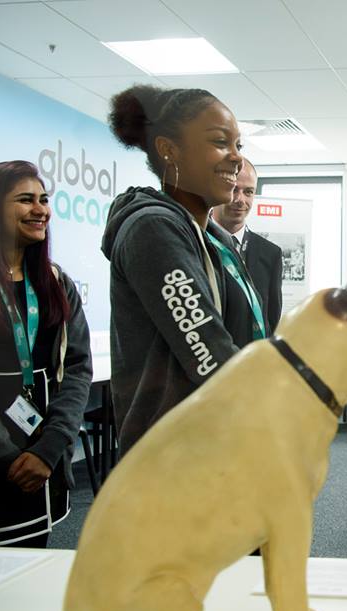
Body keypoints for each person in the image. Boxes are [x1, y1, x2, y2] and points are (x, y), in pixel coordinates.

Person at [102, 85, 246, 454]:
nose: (236, 159)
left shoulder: (212, 237)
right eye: (220, 142)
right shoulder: (152, 228)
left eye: (238, 146)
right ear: (169, 150)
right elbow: (206, 347)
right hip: (170, 457)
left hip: (213, 442)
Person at [0, 160, 92, 546]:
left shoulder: (55, 282)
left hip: (44, 457)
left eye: (44, 199)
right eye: (25, 200)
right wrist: (8, 458)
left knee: (31, 571)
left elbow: (77, 368)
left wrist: (50, 449)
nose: (40, 210)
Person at [211, 158, 284, 333]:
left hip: (253, 357)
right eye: (233, 189)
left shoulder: (270, 253)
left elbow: (272, 319)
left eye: (248, 192)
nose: (240, 199)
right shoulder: (195, 241)